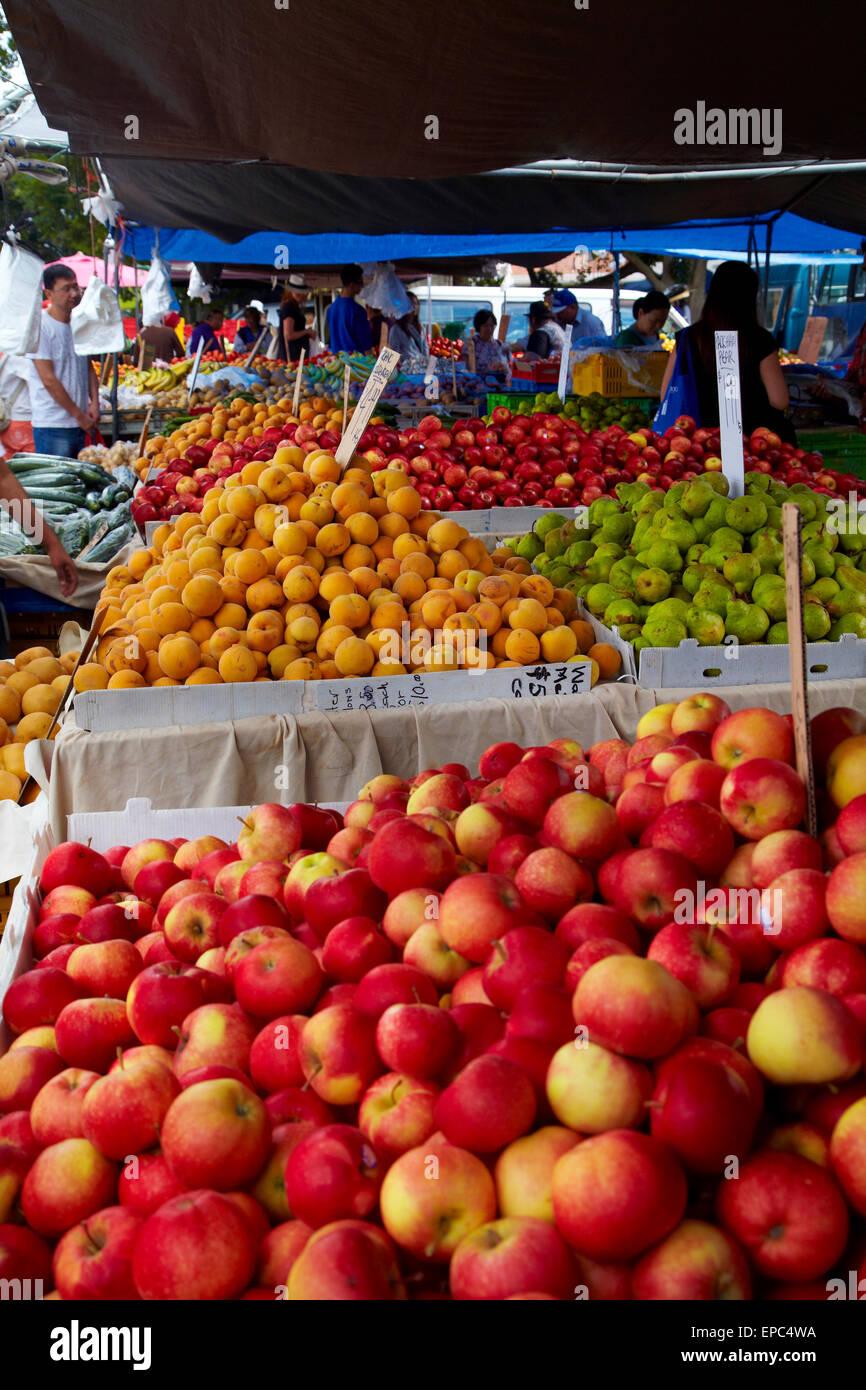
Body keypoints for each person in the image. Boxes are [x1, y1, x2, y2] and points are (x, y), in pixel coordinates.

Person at [658, 260, 792, 441]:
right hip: (752, 444)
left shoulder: (688, 338)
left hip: (696, 443)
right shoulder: (759, 339)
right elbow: (779, 400)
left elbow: (666, 394)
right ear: (750, 297)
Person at [27, 264, 99, 459]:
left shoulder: (78, 322)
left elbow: (88, 366)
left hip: (80, 421)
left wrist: (94, 402)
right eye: (66, 289)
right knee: (61, 486)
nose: (74, 293)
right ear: (49, 293)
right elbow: (48, 379)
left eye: (76, 287)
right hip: (53, 425)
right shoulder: (41, 327)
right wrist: (79, 415)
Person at [326, 264, 373, 354]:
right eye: (360, 282)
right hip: (356, 365)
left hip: (338, 364)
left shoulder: (331, 309)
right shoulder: (358, 311)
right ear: (351, 284)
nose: (362, 286)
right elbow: (366, 347)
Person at [279, 277, 313, 363]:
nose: (300, 295)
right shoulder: (289, 307)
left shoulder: (293, 307)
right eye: (297, 292)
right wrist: (306, 332)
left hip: (298, 356)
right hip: (294, 358)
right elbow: (289, 335)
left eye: (302, 292)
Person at [467, 309, 509, 376]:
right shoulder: (471, 343)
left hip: (498, 382)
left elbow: (507, 365)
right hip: (477, 382)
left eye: (492, 326)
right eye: (485, 326)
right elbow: (466, 366)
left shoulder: (499, 344)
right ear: (478, 326)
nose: (489, 329)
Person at [388, 293, 426, 362]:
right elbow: (393, 354)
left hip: (421, 369)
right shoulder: (396, 329)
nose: (414, 307)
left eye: (416, 304)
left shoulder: (421, 328)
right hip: (406, 370)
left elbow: (425, 351)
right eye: (411, 304)